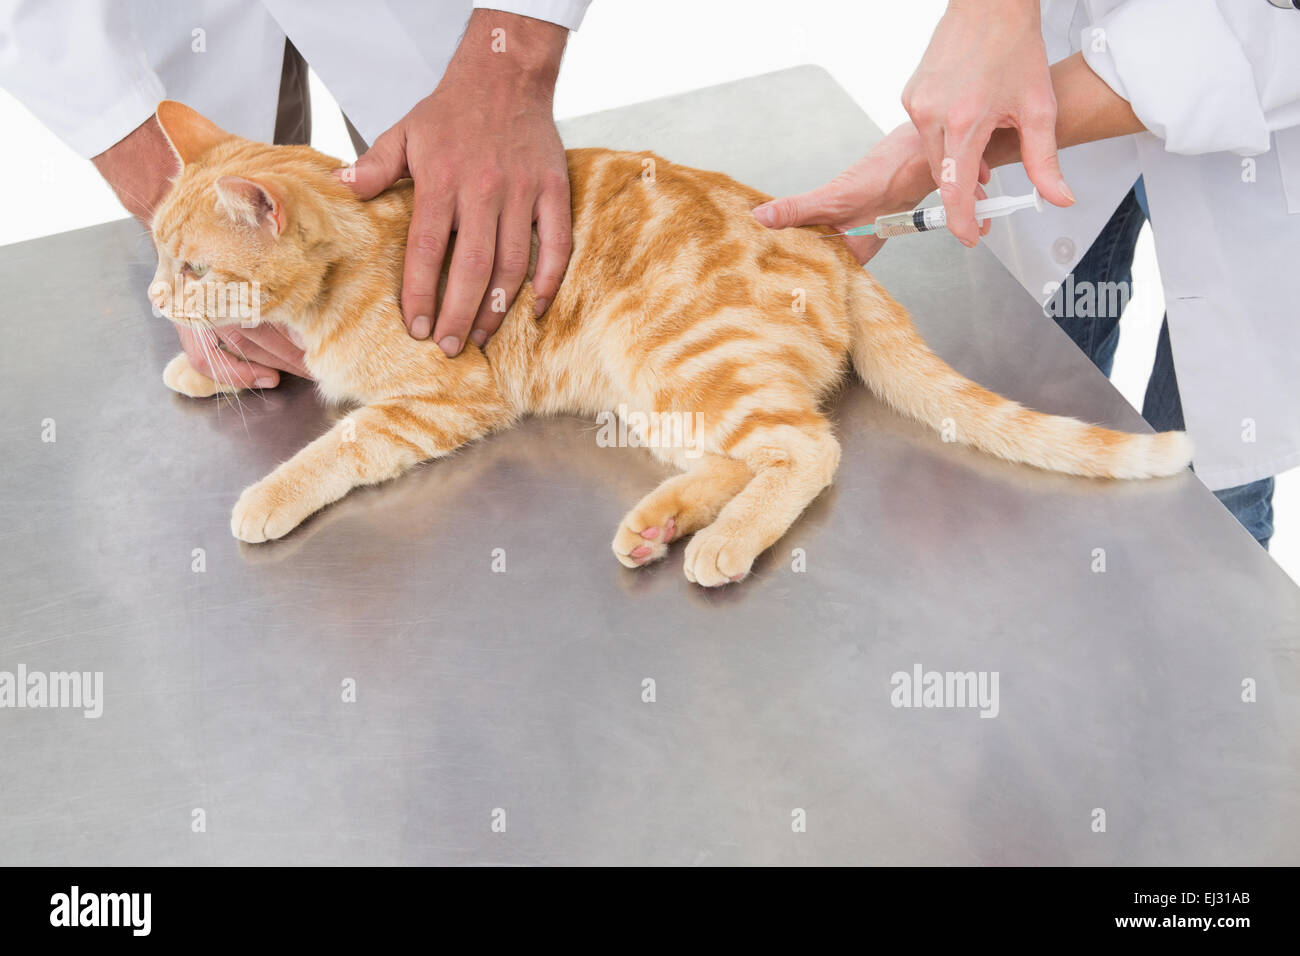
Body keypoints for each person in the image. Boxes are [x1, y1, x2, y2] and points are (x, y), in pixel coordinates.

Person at [754, 0, 1300, 549]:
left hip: (1251, 138)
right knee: (1035, 415)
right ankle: (1063, 572)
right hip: (1070, 68)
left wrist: (930, 158)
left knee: (1203, 504)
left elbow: (1244, 41)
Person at [0, 0, 590, 386]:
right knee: (279, 360)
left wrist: (511, 64)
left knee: (513, 306)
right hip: (172, 23)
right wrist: (181, 215)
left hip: (437, 28)